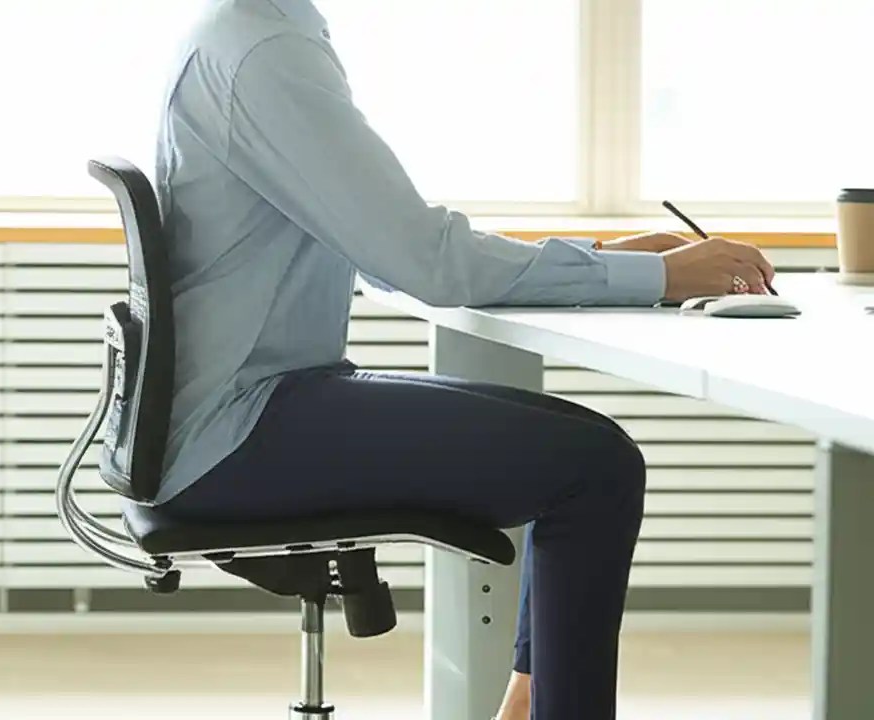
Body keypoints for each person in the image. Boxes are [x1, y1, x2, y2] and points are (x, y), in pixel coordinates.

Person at [149, 1, 776, 718]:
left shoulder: (245, 32)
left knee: (591, 451)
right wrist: (662, 279)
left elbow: (385, 247)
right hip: (241, 430)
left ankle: (526, 704)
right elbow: (425, 261)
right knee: (596, 469)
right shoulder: (265, 52)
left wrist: (607, 259)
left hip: (241, 408)